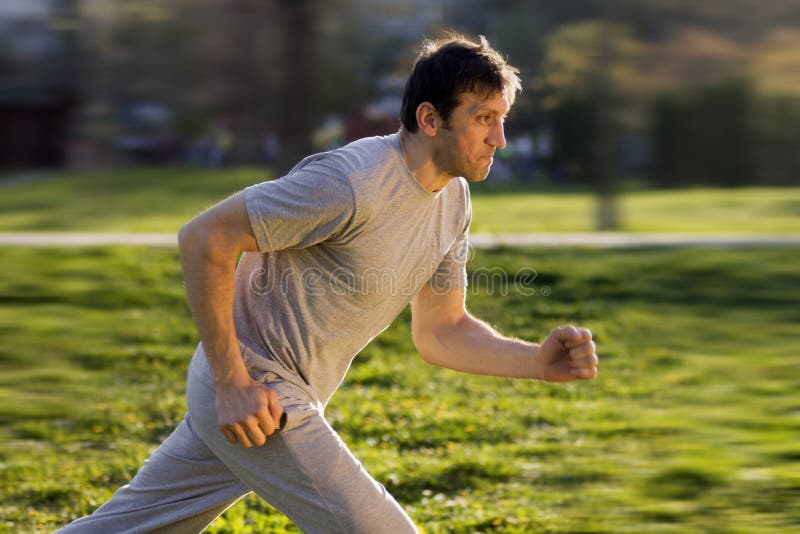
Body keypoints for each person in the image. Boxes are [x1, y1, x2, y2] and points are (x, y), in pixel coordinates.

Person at [59, 34, 598, 534]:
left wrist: (535, 361)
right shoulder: (351, 181)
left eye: (502, 120)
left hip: (270, 395)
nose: (499, 139)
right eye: (483, 118)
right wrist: (232, 384)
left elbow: (443, 332)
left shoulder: (453, 200)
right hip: (259, 391)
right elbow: (205, 238)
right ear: (430, 119)